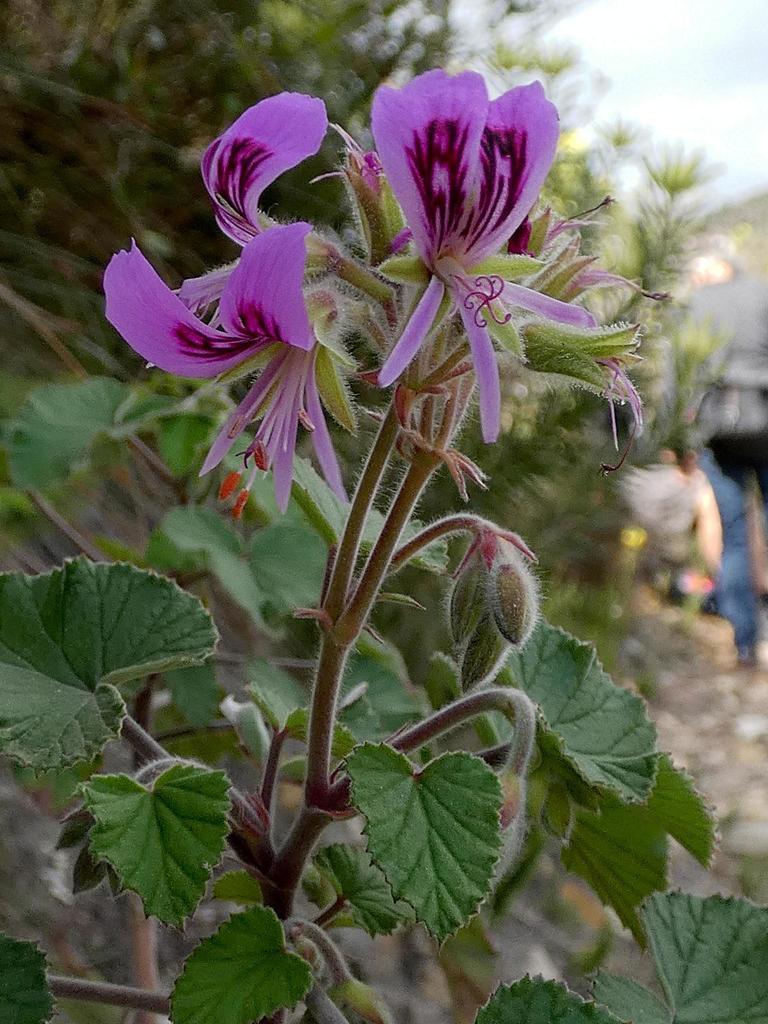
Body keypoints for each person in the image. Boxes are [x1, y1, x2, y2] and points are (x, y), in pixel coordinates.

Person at [691, 246, 768, 667]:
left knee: (735, 535)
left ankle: (745, 642)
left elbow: (677, 370)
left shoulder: (697, 302)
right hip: (766, 420)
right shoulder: (762, 293)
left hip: (717, 429)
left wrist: (677, 432)